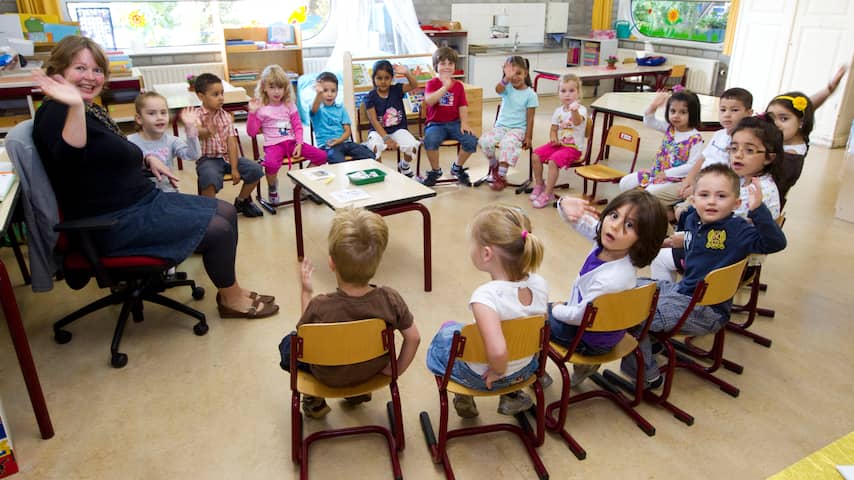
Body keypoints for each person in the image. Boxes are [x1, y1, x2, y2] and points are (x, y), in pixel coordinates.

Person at [32, 35, 278, 319]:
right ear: (58, 71)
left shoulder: (88, 110)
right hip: (115, 221)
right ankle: (231, 298)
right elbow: (70, 161)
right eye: (80, 68)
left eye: (97, 70)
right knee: (218, 230)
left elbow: (107, 151)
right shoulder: (57, 113)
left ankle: (229, 289)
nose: (90, 77)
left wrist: (146, 158)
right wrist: (75, 105)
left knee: (225, 211)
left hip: (140, 200)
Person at [622, 164, 787, 388]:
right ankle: (651, 341)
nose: (711, 201)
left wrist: (758, 212)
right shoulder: (693, 219)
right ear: (693, 198)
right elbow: (691, 240)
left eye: (721, 196)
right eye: (704, 195)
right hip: (685, 292)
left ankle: (646, 375)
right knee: (627, 287)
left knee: (632, 312)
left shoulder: (738, 230)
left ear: (736, 203)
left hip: (706, 310)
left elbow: (776, 243)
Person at [278, 207, 421, 419]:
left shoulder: (320, 306)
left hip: (328, 375)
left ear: (331, 263)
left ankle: (314, 399)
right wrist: (397, 369)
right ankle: (359, 392)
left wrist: (306, 292)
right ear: (378, 261)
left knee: (289, 344)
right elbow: (414, 338)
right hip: (370, 370)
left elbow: (307, 338)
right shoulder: (390, 299)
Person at [426, 204, 547, 418]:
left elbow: (498, 351)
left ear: (486, 253)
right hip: (526, 369)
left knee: (443, 340)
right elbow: (538, 329)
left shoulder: (485, 298)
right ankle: (513, 396)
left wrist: (497, 372)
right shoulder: (539, 284)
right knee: (482, 334)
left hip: (486, 377)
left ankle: (464, 394)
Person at [551, 190, 668, 386]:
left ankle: (530, 376)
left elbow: (579, 317)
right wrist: (564, 203)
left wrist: (556, 309)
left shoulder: (612, 279)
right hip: (605, 328)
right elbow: (581, 222)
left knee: (534, 318)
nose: (614, 225)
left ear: (643, 240)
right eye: (614, 215)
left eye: (629, 225)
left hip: (589, 339)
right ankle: (584, 367)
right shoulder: (616, 244)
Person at [654, 115, 786, 282]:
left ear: (769, 157)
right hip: (730, 255)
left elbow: (724, 235)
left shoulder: (756, 192)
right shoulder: (750, 181)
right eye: (734, 148)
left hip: (723, 260)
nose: (738, 155)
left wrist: (688, 239)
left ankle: (672, 299)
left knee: (659, 257)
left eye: (749, 150)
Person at [247, 64, 326, 205]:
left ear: (285, 88)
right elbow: (251, 132)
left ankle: (301, 183)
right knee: (270, 165)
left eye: (280, 87)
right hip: (273, 145)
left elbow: (298, 127)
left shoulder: (289, 104)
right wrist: (252, 114)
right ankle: (272, 187)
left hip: (291, 143)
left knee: (322, 156)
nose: (276, 92)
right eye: (272, 87)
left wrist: (300, 143)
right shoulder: (261, 108)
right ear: (264, 87)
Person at [193, 72, 265, 217]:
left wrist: (234, 168)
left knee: (256, 169)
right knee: (208, 177)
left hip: (227, 157)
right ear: (201, 96)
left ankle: (242, 201)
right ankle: (209, 211)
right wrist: (207, 130)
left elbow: (232, 143)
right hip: (208, 159)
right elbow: (196, 131)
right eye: (215, 94)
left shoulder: (225, 116)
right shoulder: (196, 115)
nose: (221, 98)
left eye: (222, 93)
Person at [619, 90, 704, 208]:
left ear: (693, 114)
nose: (676, 116)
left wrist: (667, 173)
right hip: (655, 174)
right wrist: (654, 105)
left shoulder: (695, 138)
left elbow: (692, 166)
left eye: (683, 112)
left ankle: (641, 213)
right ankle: (634, 209)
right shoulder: (670, 128)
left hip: (675, 179)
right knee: (625, 183)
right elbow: (649, 121)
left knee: (649, 194)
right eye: (672, 111)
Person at [678, 87, 754, 199]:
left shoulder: (743, 141)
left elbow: (729, 176)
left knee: (680, 211)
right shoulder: (718, 134)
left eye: (734, 110)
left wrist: (695, 188)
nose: (727, 115)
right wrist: (689, 180)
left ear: (749, 113)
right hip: (698, 181)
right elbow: (702, 159)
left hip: (712, 191)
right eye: (723, 110)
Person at [419, 47, 478, 187]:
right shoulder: (431, 83)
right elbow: (430, 101)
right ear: (436, 67)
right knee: (430, 140)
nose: (447, 67)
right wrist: (444, 87)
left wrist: (464, 123)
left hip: (455, 123)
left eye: (450, 64)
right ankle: (435, 171)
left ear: (454, 66)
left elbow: (462, 106)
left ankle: (457, 168)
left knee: (471, 141)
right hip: (435, 124)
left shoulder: (458, 86)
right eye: (443, 63)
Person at [479, 56, 538, 191]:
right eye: (512, 73)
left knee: (508, 144)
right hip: (501, 127)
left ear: (526, 73)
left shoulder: (531, 95)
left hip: (518, 129)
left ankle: (501, 176)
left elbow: (530, 118)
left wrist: (528, 137)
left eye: (519, 73)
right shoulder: (508, 88)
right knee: (484, 141)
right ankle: (494, 165)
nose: (515, 77)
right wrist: (506, 78)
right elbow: (498, 89)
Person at [529, 73, 587, 208]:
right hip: (559, 145)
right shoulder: (558, 111)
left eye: (571, 91)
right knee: (536, 155)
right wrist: (553, 138)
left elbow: (577, 122)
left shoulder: (581, 110)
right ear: (559, 93)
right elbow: (553, 129)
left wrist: (574, 111)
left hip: (573, 148)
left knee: (553, 161)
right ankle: (539, 184)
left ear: (578, 93)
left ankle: (548, 193)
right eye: (563, 91)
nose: (567, 95)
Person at [128, 92, 200, 193]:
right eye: (152, 113)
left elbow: (193, 155)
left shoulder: (172, 141)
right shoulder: (129, 142)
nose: (159, 117)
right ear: (139, 119)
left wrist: (190, 128)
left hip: (167, 193)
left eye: (163, 112)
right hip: (141, 196)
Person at [363, 60, 419, 177]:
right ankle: (380, 172)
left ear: (392, 78)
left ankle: (404, 165)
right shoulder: (370, 97)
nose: (383, 82)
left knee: (412, 145)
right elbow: (374, 121)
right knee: (375, 147)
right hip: (378, 131)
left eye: (387, 78)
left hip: (398, 129)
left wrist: (406, 73)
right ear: (374, 78)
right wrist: (386, 138)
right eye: (379, 78)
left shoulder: (397, 89)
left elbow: (414, 85)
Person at [310, 71, 376, 164]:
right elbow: (314, 108)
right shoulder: (317, 109)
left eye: (333, 91)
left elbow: (348, 131)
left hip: (345, 142)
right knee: (336, 159)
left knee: (370, 155)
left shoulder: (340, 108)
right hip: (328, 147)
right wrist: (319, 94)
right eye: (325, 91)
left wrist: (339, 140)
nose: (329, 94)